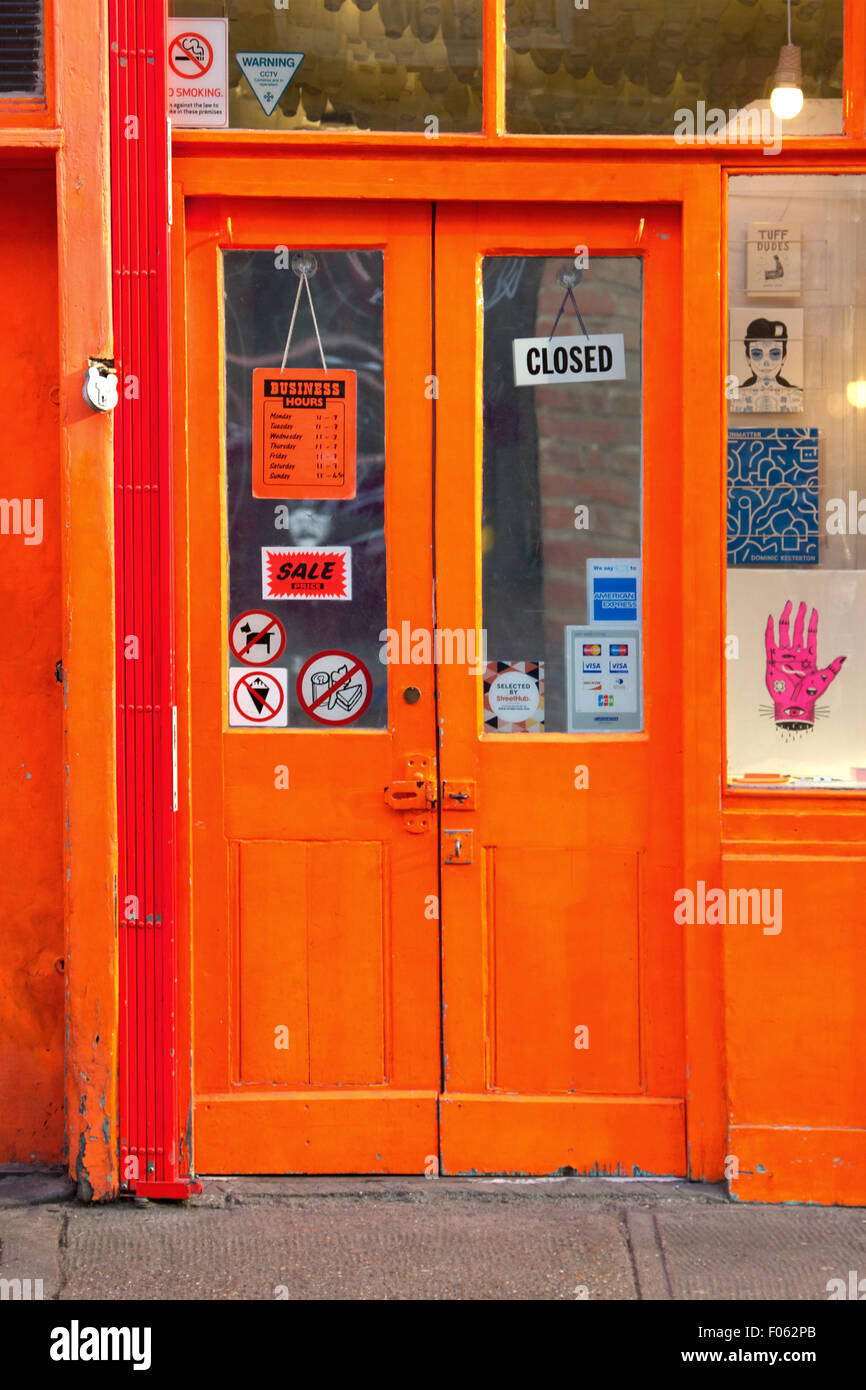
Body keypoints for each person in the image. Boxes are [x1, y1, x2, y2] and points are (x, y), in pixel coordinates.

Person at [731, 317, 803, 414]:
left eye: (774, 354)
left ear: (783, 358)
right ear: (748, 359)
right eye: (757, 354)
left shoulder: (797, 396)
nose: (766, 362)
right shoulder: (736, 396)